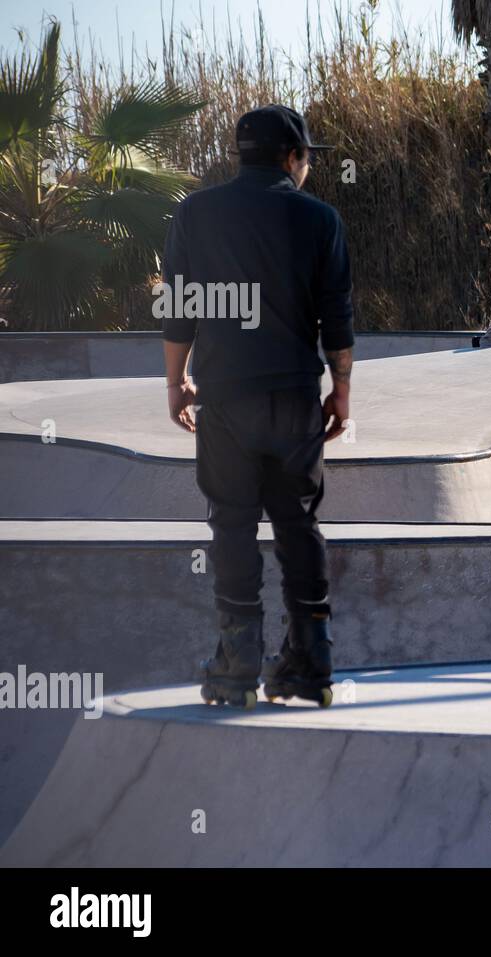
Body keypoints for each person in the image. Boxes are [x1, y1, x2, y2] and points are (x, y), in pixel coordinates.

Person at [160, 104, 355, 706]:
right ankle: (311, 658)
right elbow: (337, 320)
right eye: (305, 160)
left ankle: (239, 657)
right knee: (299, 522)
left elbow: (179, 309)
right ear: (290, 158)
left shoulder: (195, 214)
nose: (306, 170)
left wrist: (177, 383)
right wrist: (341, 390)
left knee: (233, 522)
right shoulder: (320, 219)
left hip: (226, 401)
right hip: (295, 400)